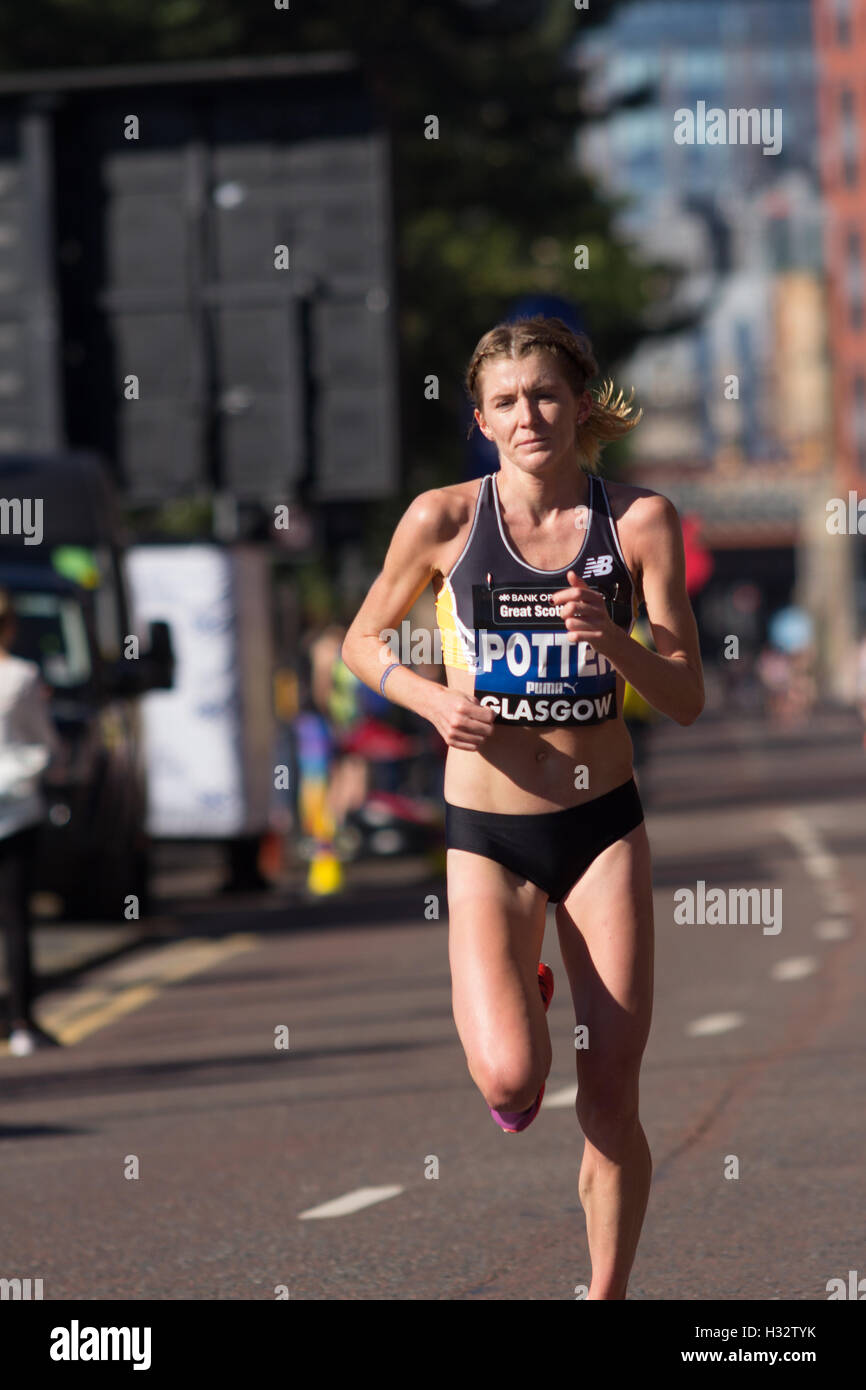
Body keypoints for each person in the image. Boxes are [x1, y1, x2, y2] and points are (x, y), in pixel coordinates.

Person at [340, 316, 704, 1300]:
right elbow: (362, 641)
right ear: (480, 418)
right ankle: (521, 1000)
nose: (526, 415)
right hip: (487, 832)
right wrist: (429, 700)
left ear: (578, 405)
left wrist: (611, 639)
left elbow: (682, 696)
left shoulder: (636, 522)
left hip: (601, 828)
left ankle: (604, 1291)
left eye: (543, 394)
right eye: (504, 401)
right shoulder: (443, 520)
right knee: (508, 1081)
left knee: (613, 1091)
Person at [0, 587, 63, 1055]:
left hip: (15, 809)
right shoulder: (22, 676)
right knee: (17, 921)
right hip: (15, 810)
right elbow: (45, 747)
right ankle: (22, 1023)